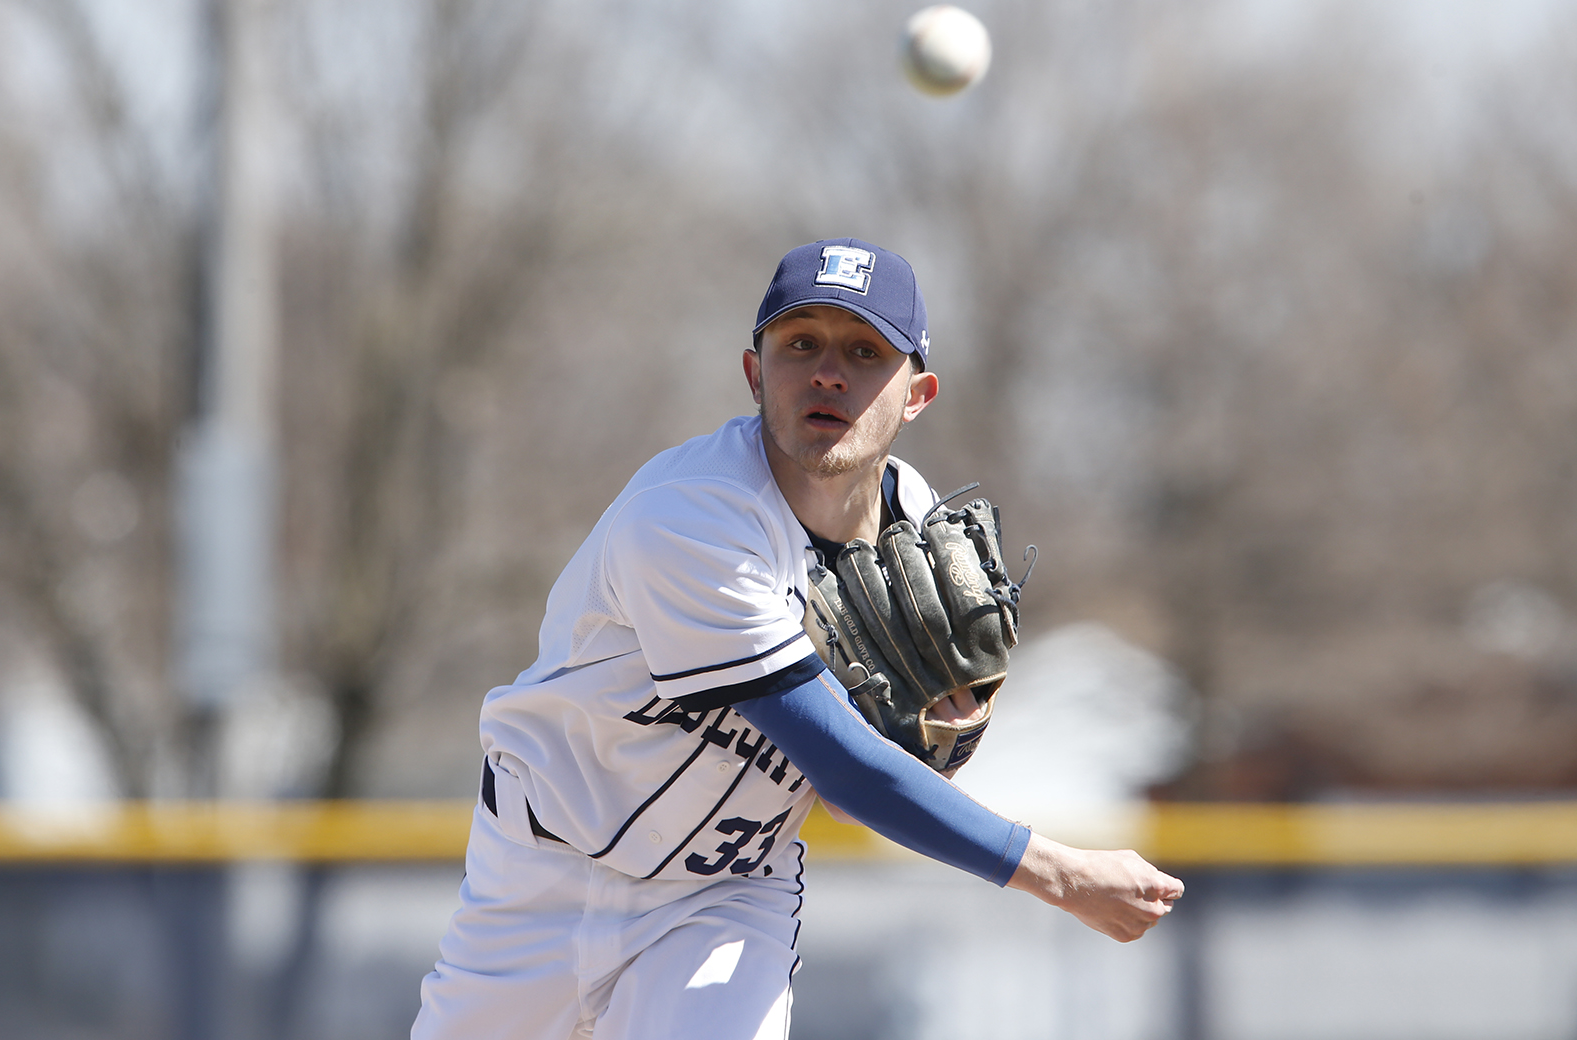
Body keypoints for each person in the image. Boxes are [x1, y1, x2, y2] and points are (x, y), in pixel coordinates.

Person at [413, 239, 1183, 1040]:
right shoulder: (692, 519)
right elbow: (846, 770)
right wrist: (1060, 874)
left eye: (864, 351)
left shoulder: (914, 528)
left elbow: (858, 796)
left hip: (724, 895)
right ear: (755, 373)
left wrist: (945, 733)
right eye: (801, 343)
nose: (828, 372)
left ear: (917, 394)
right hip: (547, 869)